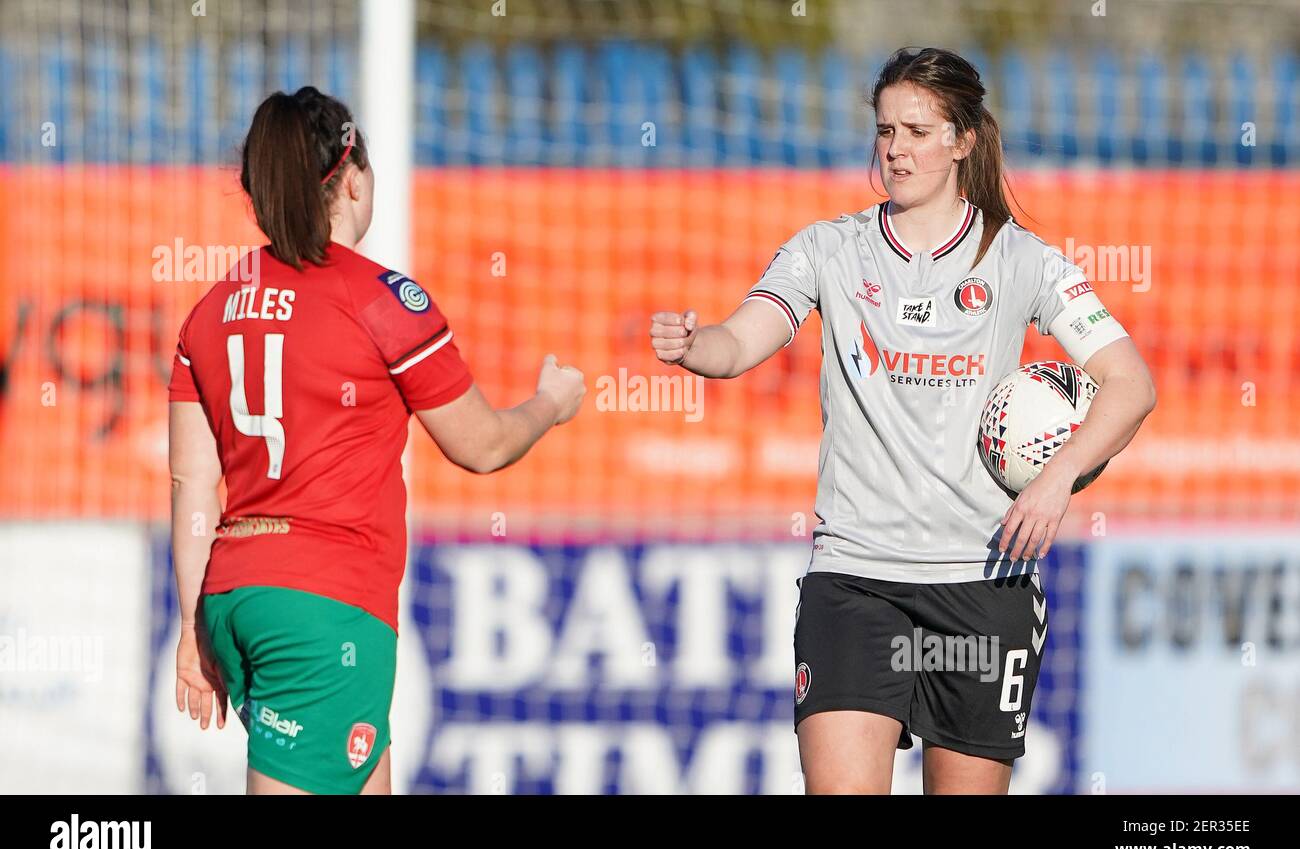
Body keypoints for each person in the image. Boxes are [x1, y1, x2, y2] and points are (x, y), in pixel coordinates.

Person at [649, 48, 1156, 794]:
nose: (896, 149)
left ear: (963, 140)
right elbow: (740, 342)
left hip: (985, 583)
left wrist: (1055, 480)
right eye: (885, 130)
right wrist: (698, 347)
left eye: (918, 131)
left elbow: (1130, 383)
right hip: (855, 582)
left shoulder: (1022, 259)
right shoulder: (827, 248)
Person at [169, 86, 585, 794]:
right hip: (323, 608)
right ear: (352, 174)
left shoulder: (209, 313)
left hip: (233, 597)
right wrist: (550, 403)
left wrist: (189, 628)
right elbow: (481, 445)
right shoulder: (381, 300)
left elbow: (190, 485)